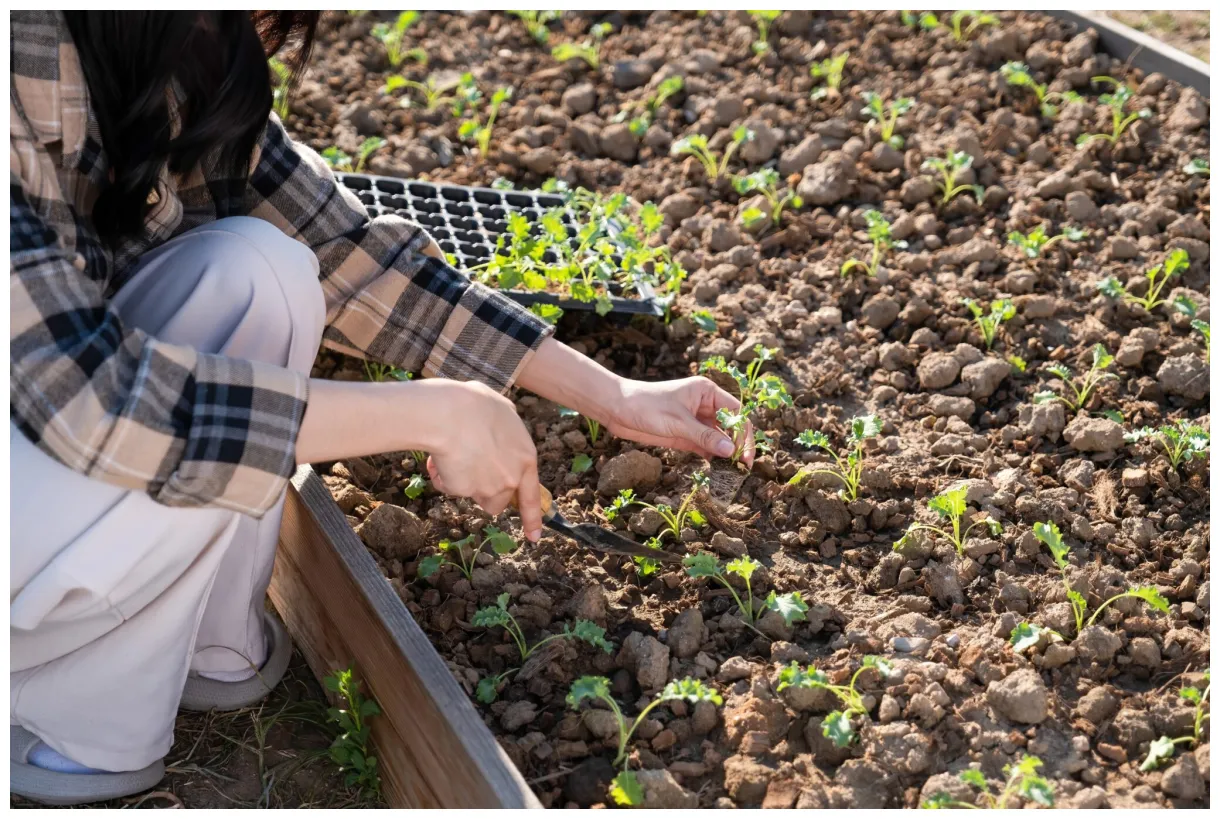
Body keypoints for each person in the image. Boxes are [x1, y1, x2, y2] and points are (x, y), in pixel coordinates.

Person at [9, 11, 752, 805]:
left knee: (261, 270)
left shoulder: (169, 53)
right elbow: (100, 403)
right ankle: (54, 716)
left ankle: (195, 654)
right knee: (172, 384)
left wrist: (616, 396)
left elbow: (351, 257)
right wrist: (429, 415)